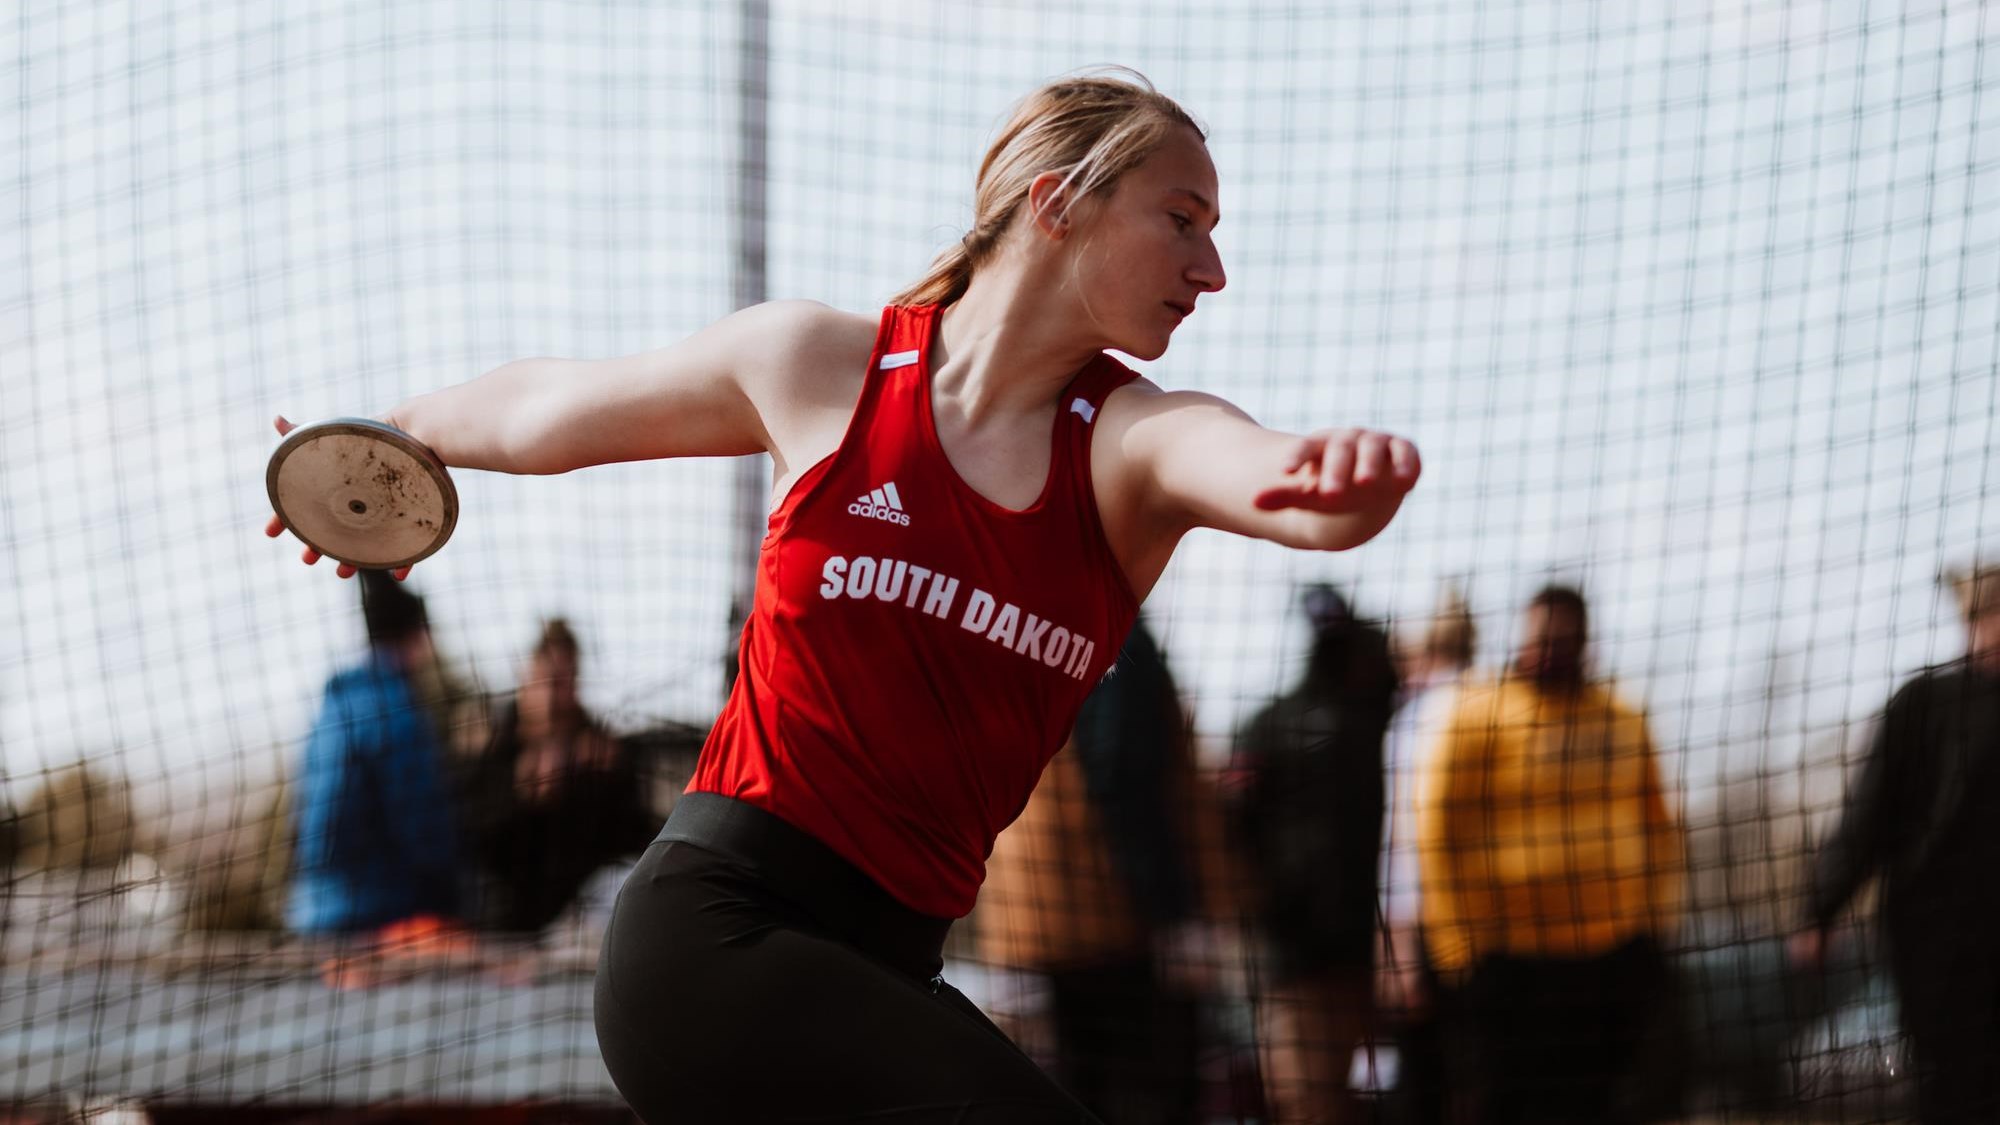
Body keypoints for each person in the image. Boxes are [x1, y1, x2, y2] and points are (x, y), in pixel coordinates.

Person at [268, 69, 1420, 1122]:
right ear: (1056, 199)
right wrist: (381, 449)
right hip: (712, 934)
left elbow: (1283, 487)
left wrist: (1341, 483)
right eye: (1181, 219)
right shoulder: (821, 366)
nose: (1209, 269)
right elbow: (547, 411)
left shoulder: (1131, 441)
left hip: (886, 965)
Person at [1417, 585, 1682, 1124]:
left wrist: (1654, 923)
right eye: (1543, 638)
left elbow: (1657, 824)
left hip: (1609, 955)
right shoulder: (1477, 713)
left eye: (1566, 639)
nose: (1552, 650)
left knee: (1599, 1103)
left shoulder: (1622, 717)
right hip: (1508, 961)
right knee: (1509, 1105)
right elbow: (1438, 829)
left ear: (1585, 642)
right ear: (1522, 636)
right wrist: (1456, 943)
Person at [1792, 562, 2000, 1123]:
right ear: (1973, 621)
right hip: (1938, 935)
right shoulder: (1926, 701)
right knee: (1953, 1084)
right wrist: (1820, 911)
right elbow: (1868, 815)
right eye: (1991, 613)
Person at [978, 615, 1205, 1124]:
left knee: (1076, 1091)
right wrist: (1172, 915)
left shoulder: (1021, 622)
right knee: (1146, 1093)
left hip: (1036, 918)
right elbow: (1125, 778)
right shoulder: (1113, 634)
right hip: (1110, 916)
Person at [1226, 584, 1400, 1125]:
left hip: (1362, 948)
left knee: (1338, 1101)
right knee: (1306, 1102)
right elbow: (1232, 830)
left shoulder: (1379, 723)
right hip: (1292, 952)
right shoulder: (1270, 726)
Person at [287, 571, 465, 935]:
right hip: (381, 920)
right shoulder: (396, 713)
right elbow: (422, 827)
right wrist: (453, 900)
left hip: (313, 915)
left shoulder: (333, 707)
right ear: (416, 635)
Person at [465, 619, 658, 934]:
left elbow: (633, 840)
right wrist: (524, 792)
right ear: (528, 677)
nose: (555, 697)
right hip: (505, 921)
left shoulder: (598, 745)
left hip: (582, 921)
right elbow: (473, 838)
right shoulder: (499, 744)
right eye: (547, 681)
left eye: (565, 682)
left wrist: (599, 778)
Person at [1377, 583, 1475, 1124]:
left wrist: (1398, 945)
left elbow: (1405, 844)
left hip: (1432, 930)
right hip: (1493, 934)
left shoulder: (1415, 721)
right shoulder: (1497, 704)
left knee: (1427, 1081)